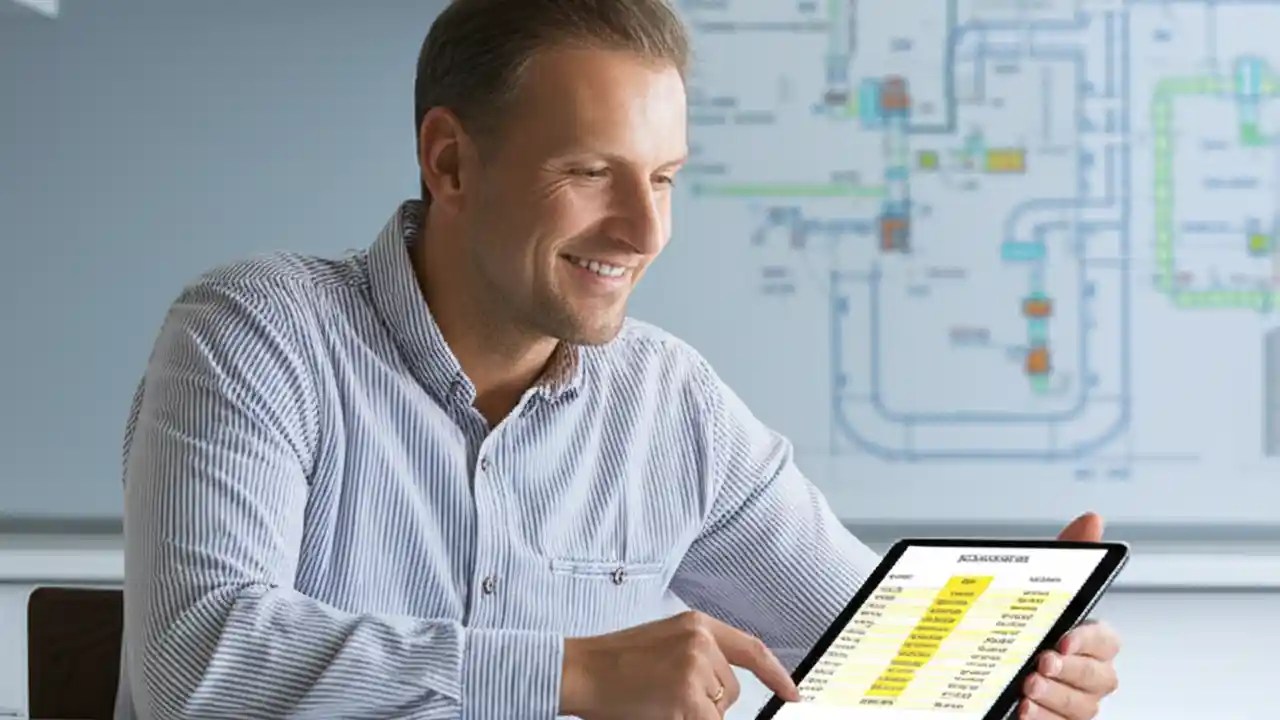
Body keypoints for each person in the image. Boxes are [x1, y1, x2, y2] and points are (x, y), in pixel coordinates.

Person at [114, 1, 1122, 718]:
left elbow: (863, 643)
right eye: (591, 173)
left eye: (665, 179)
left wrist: (1017, 669)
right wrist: (568, 674)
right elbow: (194, 662)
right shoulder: (256, 333)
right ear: (451, 161)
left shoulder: (669, 402)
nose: (642, 230)